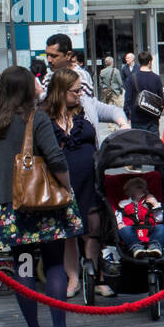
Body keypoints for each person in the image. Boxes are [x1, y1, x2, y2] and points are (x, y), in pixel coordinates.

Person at [0, 66, 92, 327]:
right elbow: (55, 158)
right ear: (27, 89)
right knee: (53, 264)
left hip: (8, 205)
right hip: (43, 206)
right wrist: (66, 187)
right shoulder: (35, 118)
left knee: (23, 266)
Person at [42, 69, 115, 298]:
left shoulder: (83, 109)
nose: (80, 93)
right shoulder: (44, 116)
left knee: (92, 230)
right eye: (75, 90)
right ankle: (73, 279)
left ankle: (95, 277)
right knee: (69, 233)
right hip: (61, 183)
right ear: (61, 92)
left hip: (88, 181)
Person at [41, 35, 129, 132]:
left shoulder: (80, 77)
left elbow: (87, 106)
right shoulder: (48, 77)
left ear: (68, 55)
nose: (49, 60)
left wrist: (123, 124)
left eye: (54, 56)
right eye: (47, 55)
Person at [117, 178, 164, 258]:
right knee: (124, 230)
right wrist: (119, 223)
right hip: (132, 231)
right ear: (128, 192)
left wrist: (155, 205)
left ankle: (155, 246)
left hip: (150, 230)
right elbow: (118, 215)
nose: (144, 190)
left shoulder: (150, 203)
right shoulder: (123, 204)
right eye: (139, 187)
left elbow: (159, 219)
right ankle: (136, 247)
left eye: (145, 188)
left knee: (162, 227)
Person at [124, 51, 162, 133]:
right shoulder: (156, 78)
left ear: (139, 62)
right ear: (149, 62)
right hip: (152, 117)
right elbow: (161, 98)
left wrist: (128, 114)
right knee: (153, 143)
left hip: (137, 116)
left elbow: (128, 99)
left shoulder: (132, 78)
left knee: (139, 143)